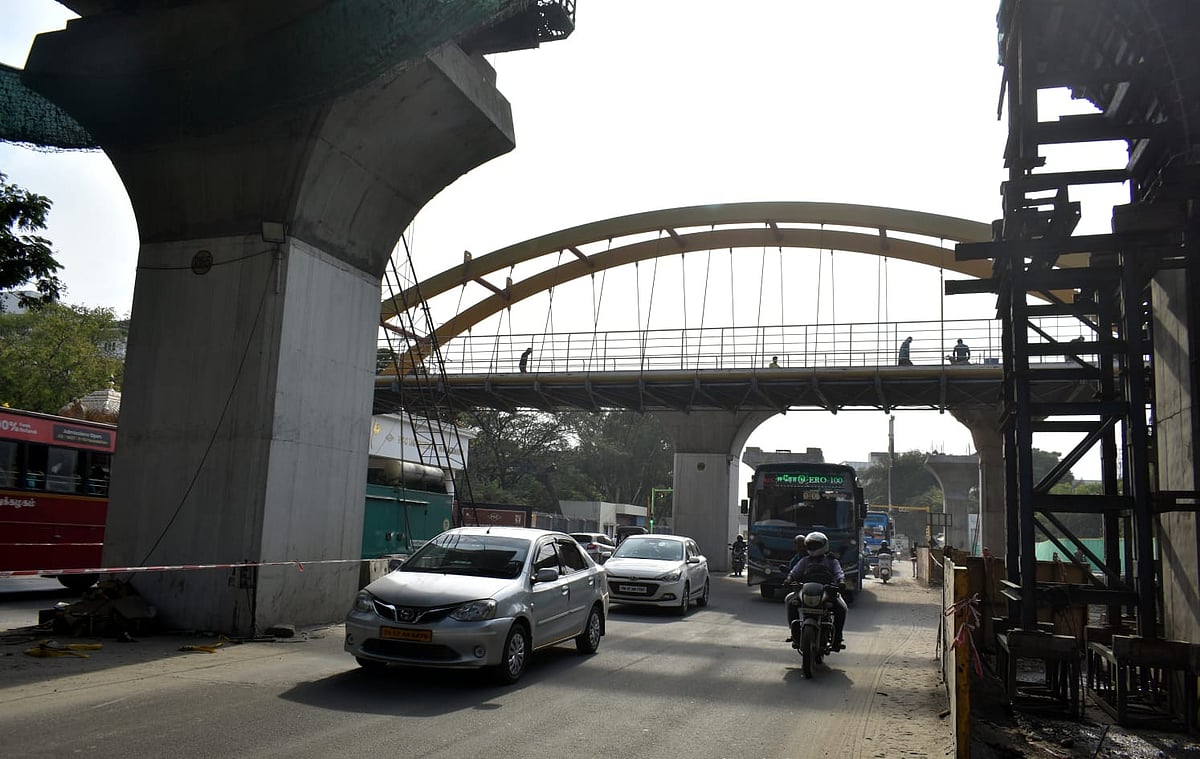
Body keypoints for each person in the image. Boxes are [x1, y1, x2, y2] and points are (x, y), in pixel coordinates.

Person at [783, 532, 848, 650]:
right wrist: (788, 579)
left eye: (816, 545)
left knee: (841, 609)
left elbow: (839, 573)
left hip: (827, 591)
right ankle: (795, 634)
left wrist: (841, 581)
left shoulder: (831, 561)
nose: (813, 548)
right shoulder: (804, 560)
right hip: (806, 590)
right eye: (811, 545)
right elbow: (794, 572)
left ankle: (837, 639)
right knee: (791, 603)